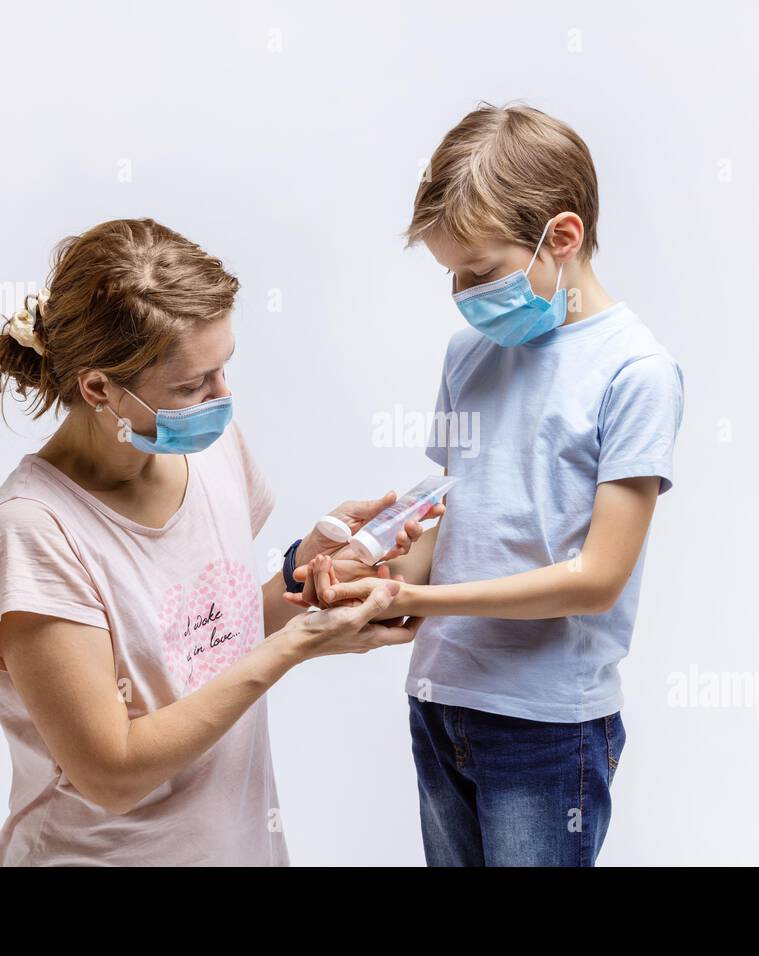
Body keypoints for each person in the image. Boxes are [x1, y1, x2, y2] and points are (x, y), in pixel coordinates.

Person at [292, 104, 685, 866]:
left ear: (561, 238)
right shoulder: (468, 354)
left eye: (481, 271)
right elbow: (453, 525)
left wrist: (415, 601)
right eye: (451, 274)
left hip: (546, 725)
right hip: (441, 702)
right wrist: (373, 575)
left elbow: (596, 579)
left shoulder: (635, 373)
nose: (464, 293)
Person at [0, 218, 435, 866]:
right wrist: (298, 648)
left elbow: (203, 639)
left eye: (223, 369)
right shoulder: (34, 533)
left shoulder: (212, 451)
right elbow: (113, 772)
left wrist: (307, 574)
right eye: (193, 385)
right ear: (99, 387)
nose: (222, 398)